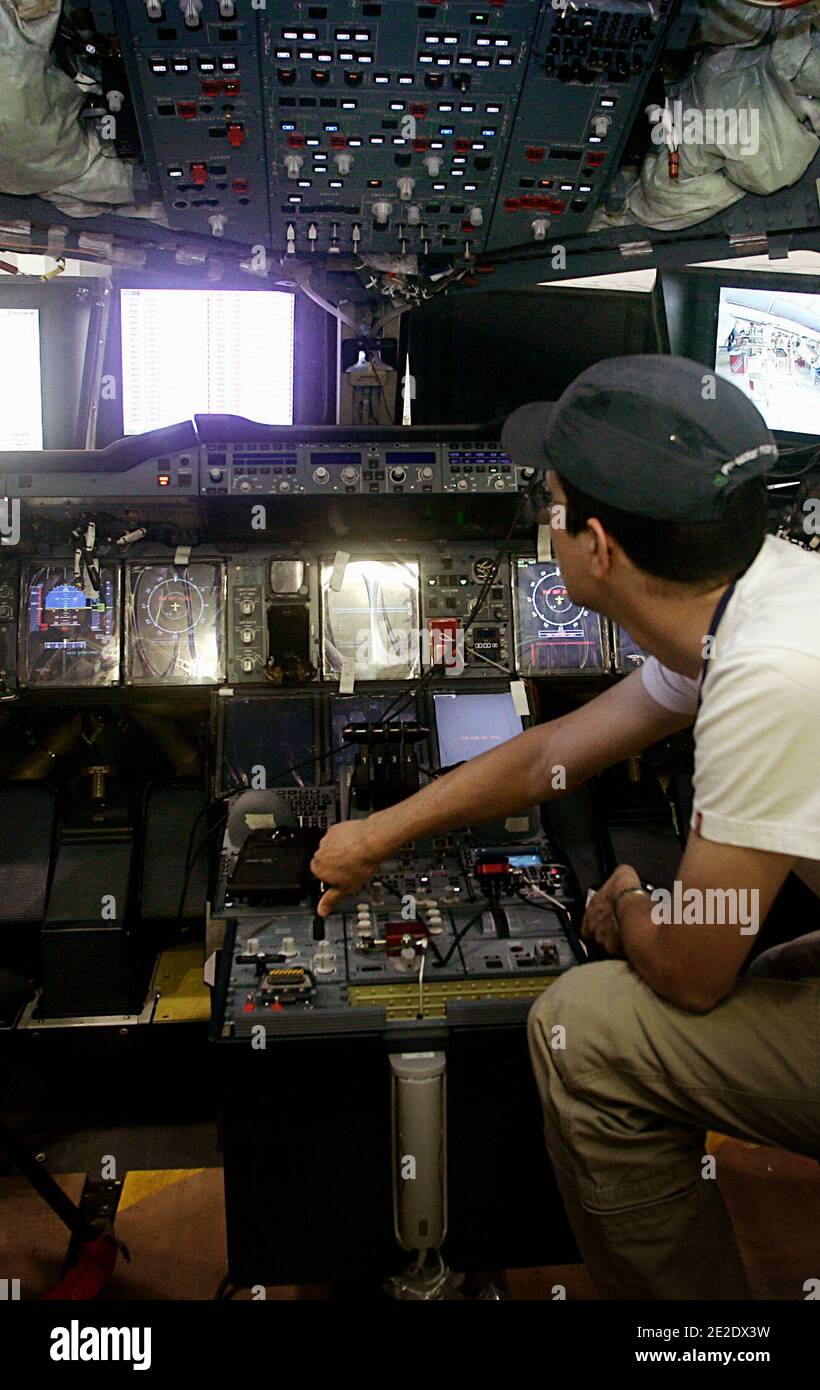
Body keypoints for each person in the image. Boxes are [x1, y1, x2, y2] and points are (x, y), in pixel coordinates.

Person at [310, 355, 820, 1299]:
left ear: (596, 548)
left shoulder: (774, 673)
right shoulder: (756, 598)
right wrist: (381, 835)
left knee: (583, 1033)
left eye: (549, 503)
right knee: (771, 971)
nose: (544, 522)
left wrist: (628, 905)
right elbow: (555, 752)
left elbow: (692, 972)